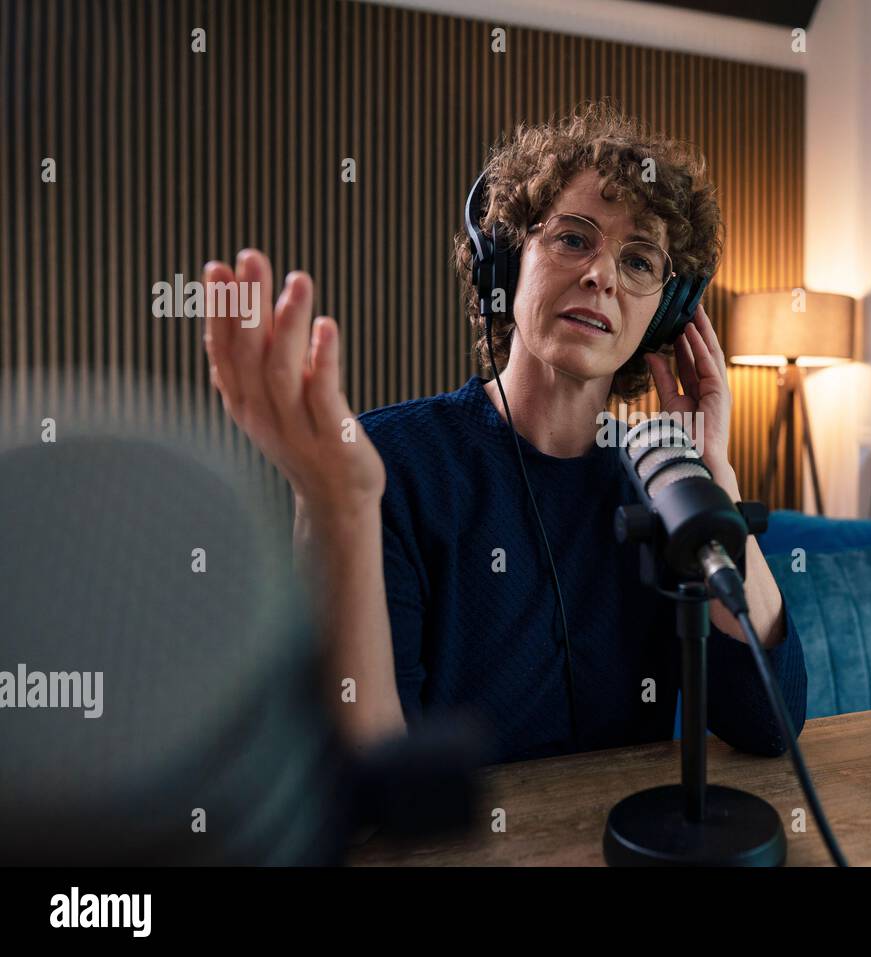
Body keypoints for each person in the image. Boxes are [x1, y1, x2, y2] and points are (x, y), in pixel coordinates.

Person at [202, 100, 806, 765]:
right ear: (506, 260)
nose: (601, 274)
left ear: (665, 314)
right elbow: (363, 777)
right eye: (573, 238)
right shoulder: (385, 464)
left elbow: (769, 729)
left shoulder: (662, 483)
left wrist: (711, 481)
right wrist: (335, 510)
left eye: (639, 262)